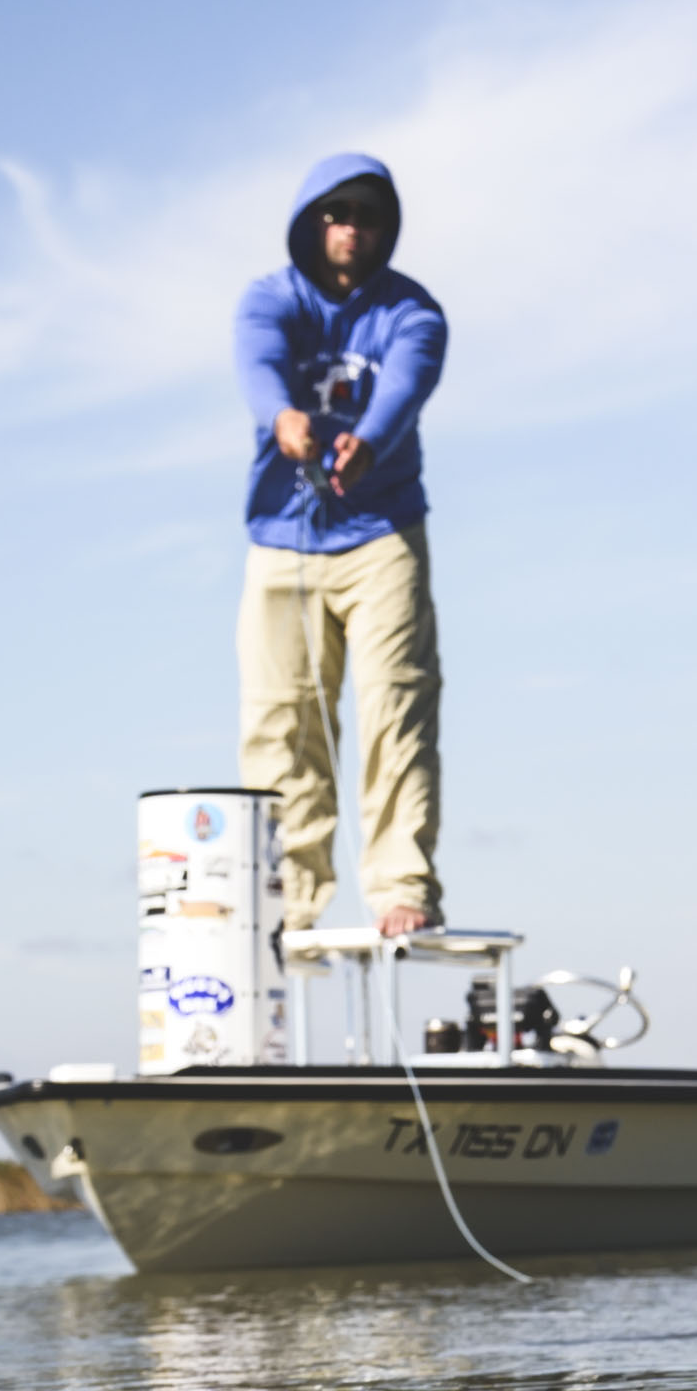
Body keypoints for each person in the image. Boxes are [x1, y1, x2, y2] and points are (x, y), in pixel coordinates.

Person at [235, 152, 447, 937]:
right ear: (311, 223)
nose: (350, 229)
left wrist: (368, 441)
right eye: (335, 214)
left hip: (381, 533)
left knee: (396, 704)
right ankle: (287, 901)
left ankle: (402, 888)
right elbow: (258, 364)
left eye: (365, 216)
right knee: (280, 720)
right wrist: (281, 417)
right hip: (281, 538)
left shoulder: (413, 312)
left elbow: (404, 383)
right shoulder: (269, 300)